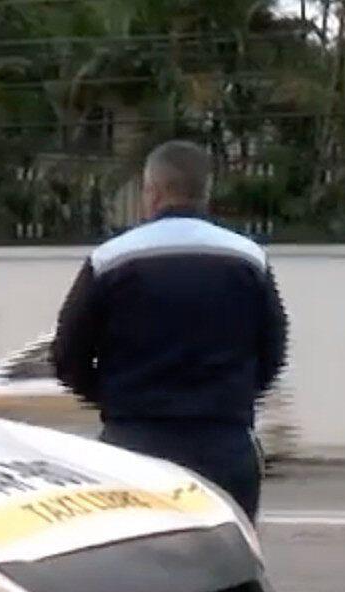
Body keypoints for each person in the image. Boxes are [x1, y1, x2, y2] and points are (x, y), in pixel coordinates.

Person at [50, 139, 288, 521]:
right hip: (224, 444)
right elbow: (274, 349)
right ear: (205, 193)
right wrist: (232, 396)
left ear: (152, 192)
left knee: (142, 565)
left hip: (134, 443)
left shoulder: (111, 260)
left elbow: (66, 354)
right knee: (229, 565)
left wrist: (111, 399)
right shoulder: (247, 258)